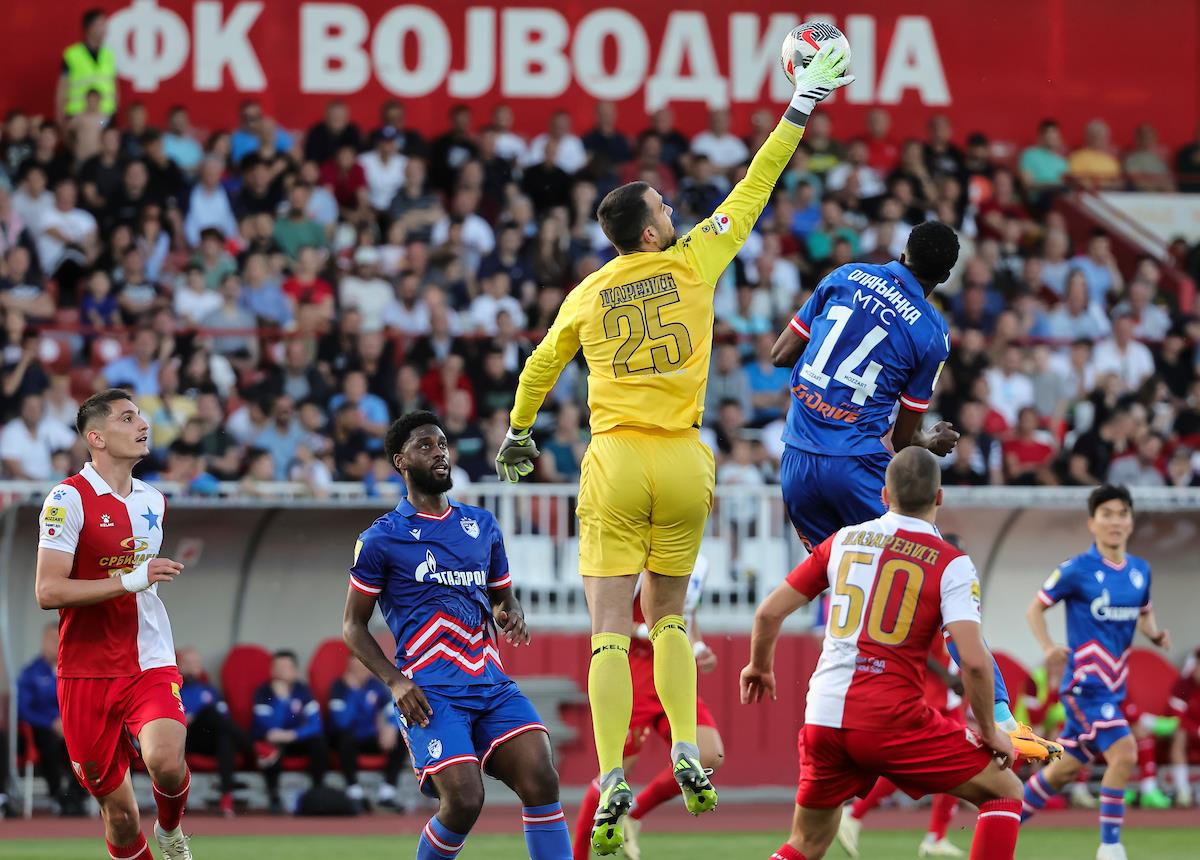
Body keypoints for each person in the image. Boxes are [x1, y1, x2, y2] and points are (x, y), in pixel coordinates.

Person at [493, 45, 854, 855]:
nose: (676, 209)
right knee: (672, 618)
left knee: (610, 632)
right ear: (656, 229)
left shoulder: (588, 292)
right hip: (687, 461)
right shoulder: (695, 260)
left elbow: (541, 363)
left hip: (615, 459)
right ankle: (688, 744)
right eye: (667, 205)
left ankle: (613, 774)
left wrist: (518, 436)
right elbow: (756, 183)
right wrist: (801, 103)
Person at [767, 214, 1062, 759]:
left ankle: (840, 722)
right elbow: (901, 438)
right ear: (945, 276)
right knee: (941, 576)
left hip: (797, 466)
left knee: (851, 594)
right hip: (855, 466)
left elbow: (781, 353)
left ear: (903, 250)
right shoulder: (929, 332)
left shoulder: (843, 275)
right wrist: (928, 440)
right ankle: (999, 716)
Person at [742, 448, 1022, 860]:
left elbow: (768, 613)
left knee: (805, 844)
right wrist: (990, 728)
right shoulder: (951, 563)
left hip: (823, 715)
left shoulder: (841, 540)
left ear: (884, 493)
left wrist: (759, 666)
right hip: (889, 718)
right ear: (939, 498)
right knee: (1005, 792)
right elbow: (976, 661)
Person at [341, 411, 571, 859]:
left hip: (490, 683)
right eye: (425, 445)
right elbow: (352, 626)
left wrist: (511, 612)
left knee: (542, 778)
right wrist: (395, 681)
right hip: (431, 692)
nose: (440, 452)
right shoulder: (381, 539)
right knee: (465, 800)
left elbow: (504, 596)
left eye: (443, 443)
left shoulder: (481, 525)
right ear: (400, 461)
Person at [34, 388, 192, 860]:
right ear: (96, 437)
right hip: (85, 672)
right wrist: (131, 578)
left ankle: (170, 832)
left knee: (165, 761)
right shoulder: (66, 499)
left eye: (141, 416)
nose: (142, 424)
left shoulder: (154, 500)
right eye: (128, 418)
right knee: (121, 819)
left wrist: (136, 582)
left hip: (149, 658)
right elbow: (48, 591)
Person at [1022, 484, 1173, 860]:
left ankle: (999, 821)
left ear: (1131, 521)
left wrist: (1153, 634)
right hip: (1084, 686)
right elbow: (1035, 609)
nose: (1115, 521)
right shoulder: (1076, 570)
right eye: (1106, 514)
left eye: (1122, 513)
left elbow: (1144, 610)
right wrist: (1047, 647)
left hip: (1113, 688)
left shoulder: (1140, 571)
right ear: (1092, 522)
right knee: (1125, 753)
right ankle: (1110, 848)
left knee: (1062, 771)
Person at [572, 555, 724, 860]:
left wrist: (697, 646)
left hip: (673, 670)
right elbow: (609, 618)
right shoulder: (640, 553)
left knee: (709, 753)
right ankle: (575, 856)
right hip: (634, 670)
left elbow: (685, 614)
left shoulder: (702, 562)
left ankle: (636, 813)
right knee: (615, 773)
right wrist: (653, 630)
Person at [178, 647, 258, 817]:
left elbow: (223, 720)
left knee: (224, 736)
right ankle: (255, 748)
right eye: (188, 663)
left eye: (196, 663)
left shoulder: (210, 691)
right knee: (210, 712)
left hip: (207, 739)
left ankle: (226, 797)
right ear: (178, 665)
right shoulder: (173, 688)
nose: (192, 667)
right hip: (183, 740)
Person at [18, 623, 88, 815]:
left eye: (58, 639)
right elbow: (23, 709)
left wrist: (68, 723)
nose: (54, 644)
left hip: (72, 728)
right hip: (44, 730)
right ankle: (58, 794)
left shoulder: (77, 670)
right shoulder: (31, 672)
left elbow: (87, 703)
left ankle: (75, 796)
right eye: (50, 639)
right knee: (46, 740)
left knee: (90, 742)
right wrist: (51, 723)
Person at [252, 650, 330, 814]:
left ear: (295, 671)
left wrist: (294, 735)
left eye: (285, 668)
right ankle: (273, 796)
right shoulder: (263, 692)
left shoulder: (303, 691)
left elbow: (316, 724)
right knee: (271, 746)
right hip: (274, 740)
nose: (280, 672)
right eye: (277, 667)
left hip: (294, 738)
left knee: (319, 742)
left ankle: (318, 792)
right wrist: (281, 700)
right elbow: (270, 727)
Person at [327, 656, 409, 811]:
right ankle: (355, 793)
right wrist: (354, 692)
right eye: (355, 670)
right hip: (349, 739)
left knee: (399, 736)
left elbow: (392, 710)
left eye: (363, 669)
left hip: (371, 738)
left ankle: (387, 794)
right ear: (348, 670)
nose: (360, 673)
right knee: (345, 738)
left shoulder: (376, 687)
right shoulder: (339, 687)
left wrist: (391, 727)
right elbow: (342, 721)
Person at [57, 8, 116, 123]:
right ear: (89, 27)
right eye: (101, 24)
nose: (105, 29)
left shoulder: (109, 55)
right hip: (78, 116)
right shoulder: (72, 55)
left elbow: (114, 88)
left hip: (105, 117)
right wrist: (61, 118)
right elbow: (62, 90)